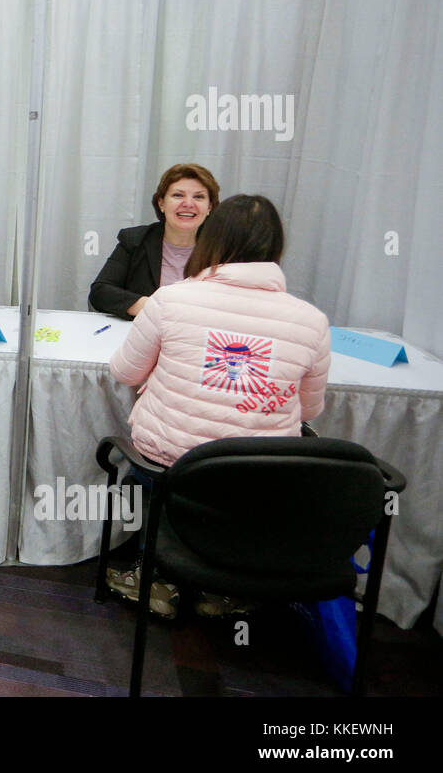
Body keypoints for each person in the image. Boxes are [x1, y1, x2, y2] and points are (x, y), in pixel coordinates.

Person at [105, 194, 330, 619]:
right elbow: (311, 409)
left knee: (160, 470)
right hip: (259, 469)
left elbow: (125, 372)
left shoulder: (171, 300)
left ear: (211, 239)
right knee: (239, 489)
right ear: (276, 249)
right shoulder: (312, 320)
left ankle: (158, 578)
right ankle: (225, 588)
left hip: (169, 462)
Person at [88, 163, 220, 319]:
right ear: (161, 203)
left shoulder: (223, 247)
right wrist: (152, 307)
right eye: (178, 195)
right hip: (144, 335)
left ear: (210, 207)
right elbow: (100, 292)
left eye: (198, 197)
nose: (188, 204)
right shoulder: (136, 240)